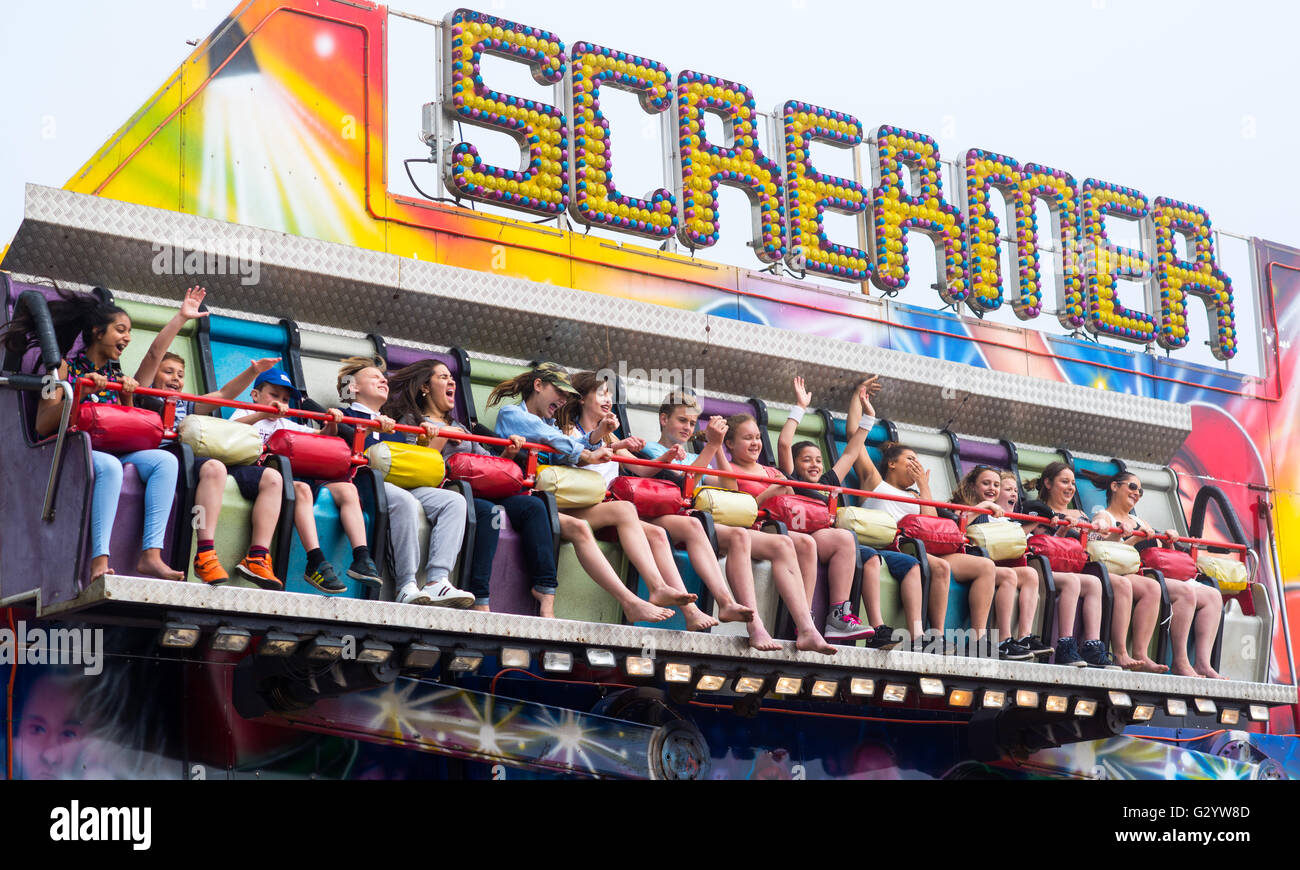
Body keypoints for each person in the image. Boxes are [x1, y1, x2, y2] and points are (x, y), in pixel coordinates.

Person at [3, 288, 183, 583]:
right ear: (98, 332)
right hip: (73, 447)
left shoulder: (116, 375)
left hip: (112, 446)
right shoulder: (60, 369)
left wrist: (127, 399)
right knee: (110, 467)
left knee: (165, 461)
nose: (127, 338)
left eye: (129, 332)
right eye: (121, 330)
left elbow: (124, 424)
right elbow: (43, 423)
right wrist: (80, 392)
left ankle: (151, 555)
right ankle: (99, 560)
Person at [558, 372, 757, 631]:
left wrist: (666, 458)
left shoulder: (612, 436)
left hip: (607, 510)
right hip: (581, 507)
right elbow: (575, 454)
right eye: (601, 393)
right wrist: (610, 444)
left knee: (658, 535)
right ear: (582, 399)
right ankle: (657, 587)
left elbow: (641, 470)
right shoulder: (566, 430)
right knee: (626, 508)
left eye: (610, 394)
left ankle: (692, 609)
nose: (608, 399)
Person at [487, 363, 682, 625]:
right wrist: (591, 450)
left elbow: (571, 443)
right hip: (527, 500)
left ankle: (651, 593)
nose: (563, 399)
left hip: (551, 500)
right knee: (591, 523)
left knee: (626, 515)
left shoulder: (552, 426)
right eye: (559, 391)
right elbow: (556, 440)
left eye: (567, 395)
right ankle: (632, 600)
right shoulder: (514, 414)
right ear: (538, 386)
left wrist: (598, 439)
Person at [642, 391, 834, 654]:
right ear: (664, 419)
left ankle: (807, 629)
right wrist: (713, 446)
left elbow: (729, 488)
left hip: (703, 523)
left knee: (783, 545)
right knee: (739, 536)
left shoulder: (694, 457)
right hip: (677, 520)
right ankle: (755, 626)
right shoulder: (651, 448)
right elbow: (682, 482)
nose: (687, 428)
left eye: (691, 423)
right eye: (681, 421)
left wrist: (717, 447)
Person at [130, 286, 286, 587]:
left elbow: (226, 395)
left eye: (180, 374)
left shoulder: (188, 404)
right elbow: (153, 354)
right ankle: (205, 553)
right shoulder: (144, 393)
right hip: (167, 456)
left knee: (272, 477)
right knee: (214, 467)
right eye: (169, 372)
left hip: (196, 454)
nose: (175, 378)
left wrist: (252, 372)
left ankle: (257, 556)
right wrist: (180, 318)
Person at [382, 358, 558, 612]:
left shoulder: (460, 427)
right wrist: (442, 437)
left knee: (533, 506)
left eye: (451, 377)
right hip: (448, 489)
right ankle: (481, 599)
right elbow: (416, 467)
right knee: (487, 512)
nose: (451, 381)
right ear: (425, 387)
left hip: (481, 486)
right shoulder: (412, 421)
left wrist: (508, 453)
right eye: (442, 377)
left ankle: (545, 589)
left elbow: (488, 464)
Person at [777, 375, 917, 649]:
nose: (815, 465)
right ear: (794, 464)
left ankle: (838, 616)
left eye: (818, 460)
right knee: (842, 537)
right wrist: (799, 407)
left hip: (823, 536)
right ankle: (806, 619)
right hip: (800, 534)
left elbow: (851, 453)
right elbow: (783, 444)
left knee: (844, 538)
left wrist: (869, 418)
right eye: (807, 460)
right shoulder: (792, 478)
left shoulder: (828, 482)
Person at [331, 357, 475, 607]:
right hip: (367, 483)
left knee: (454, 501)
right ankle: (405, 584)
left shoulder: (394, 425)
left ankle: (438, 580)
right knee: (405, 502)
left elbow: (407, 460)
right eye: (374, 377)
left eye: (384, 378)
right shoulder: (345, 415)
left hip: (400, 482)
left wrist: (424, 441)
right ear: (352, 387)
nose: (383, 380)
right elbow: (340, 446)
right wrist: (368, 428)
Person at [230, 368, 382, 595]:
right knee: (299, 488)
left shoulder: (286, 424)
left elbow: (320, 439)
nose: (280, 403)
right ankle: (309, 559)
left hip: (281, 481)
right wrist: (262, 413)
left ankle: (345, 558)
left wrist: (332, 424)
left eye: (284, 399)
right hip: (253, 476)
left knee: (327, 489)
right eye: (274, 395)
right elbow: (231, 431)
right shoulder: (244, 412)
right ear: (255, 395)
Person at [722, 412, 865, 651]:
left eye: (757, 437)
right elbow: (736, 508)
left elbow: (788, 503)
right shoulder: (729, 468)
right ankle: (802, 623)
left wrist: (784, 489)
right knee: (798, 543)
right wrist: (770, 493)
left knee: (816, 543)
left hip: (778, 528)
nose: (756, 443)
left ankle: (808, 621)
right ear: (730, 443)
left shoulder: (771, 471)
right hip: (755, 528)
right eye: (748, 438)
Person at [852, 435, 996, 655]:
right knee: (940, 567)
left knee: (985, 566)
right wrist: (863, 408)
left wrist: (923, 486)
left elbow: (931, 523)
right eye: (910, 459)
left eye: (918, 461)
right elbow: (856, 436)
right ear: (892, 464)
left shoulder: (915, 494)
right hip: (899, 546)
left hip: (925, 545)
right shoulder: (875, 482)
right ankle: (931, 635)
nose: (916, 464)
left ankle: (977, 639)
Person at [1084, 470, 1222, 677]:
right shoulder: (1104, 517)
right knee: (1179, 592)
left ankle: (1202, 663)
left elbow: (1160, 555)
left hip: (1147, 571)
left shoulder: (1140, 521)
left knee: (1213, 595)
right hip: (1123, 572)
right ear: (1114, 486)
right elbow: (1095, 549)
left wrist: (1169, 542)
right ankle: (1173, 659)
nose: (1137, 493)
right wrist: (1133, 539)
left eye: (1140, 490)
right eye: (1132, 487)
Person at [952, 466, 1046, 661]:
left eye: (996, 485)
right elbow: (955, 529)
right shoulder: (960, 505)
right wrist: (983, 506)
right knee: (1009, 575)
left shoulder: (995, 514)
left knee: (1030, 574)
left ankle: (1024, 637)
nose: (992, 488)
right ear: (972, 486)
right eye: (986, 484)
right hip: (965, 560)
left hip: (986, 561)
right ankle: (1003, 639)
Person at [1021, 462, 1109, 668]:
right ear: (1048, 483)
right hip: (1043, 568)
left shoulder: (1080, 514)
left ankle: (1092, 646)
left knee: (1095, 583)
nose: (1070, 487)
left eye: (1072, 483)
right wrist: (1060, 528)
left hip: (1069, 566)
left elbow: (1092, 547)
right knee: (1071, 582)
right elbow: (1041, 544)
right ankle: (1065, 644)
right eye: (1064, 482)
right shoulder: (1038, 509)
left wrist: (1102, 529)